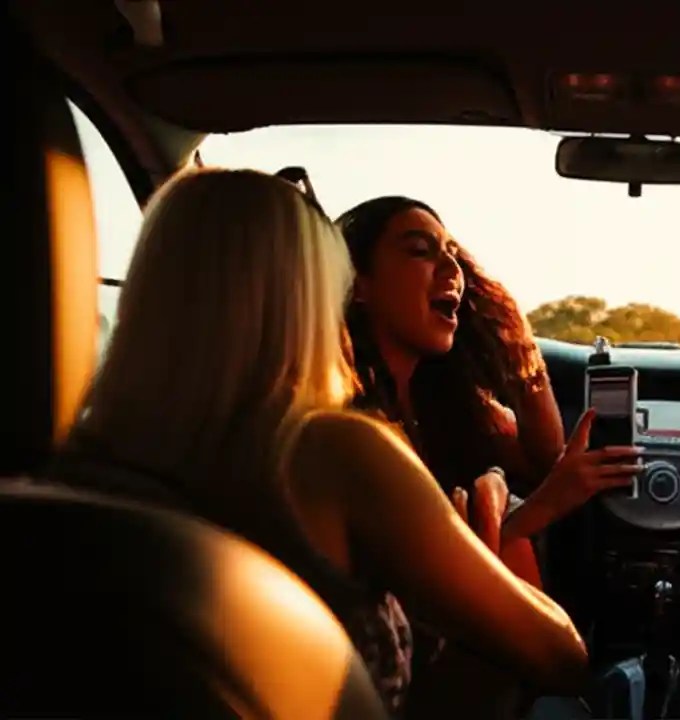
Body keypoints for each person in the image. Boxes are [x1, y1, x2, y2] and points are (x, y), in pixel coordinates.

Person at [56, 169, 589, 716]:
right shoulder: (335, 450)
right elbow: (563, 656)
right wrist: (494, 529)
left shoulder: (70, 464)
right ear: (315, 291)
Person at [337, 196, 644, 566]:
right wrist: (542, 508)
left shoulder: (445, 403)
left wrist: (511, 336)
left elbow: (544, 460)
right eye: (421, 251)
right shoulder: (351, 425)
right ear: (357, 283)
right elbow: (419, 580)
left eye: (453, 256)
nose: (452, 270)